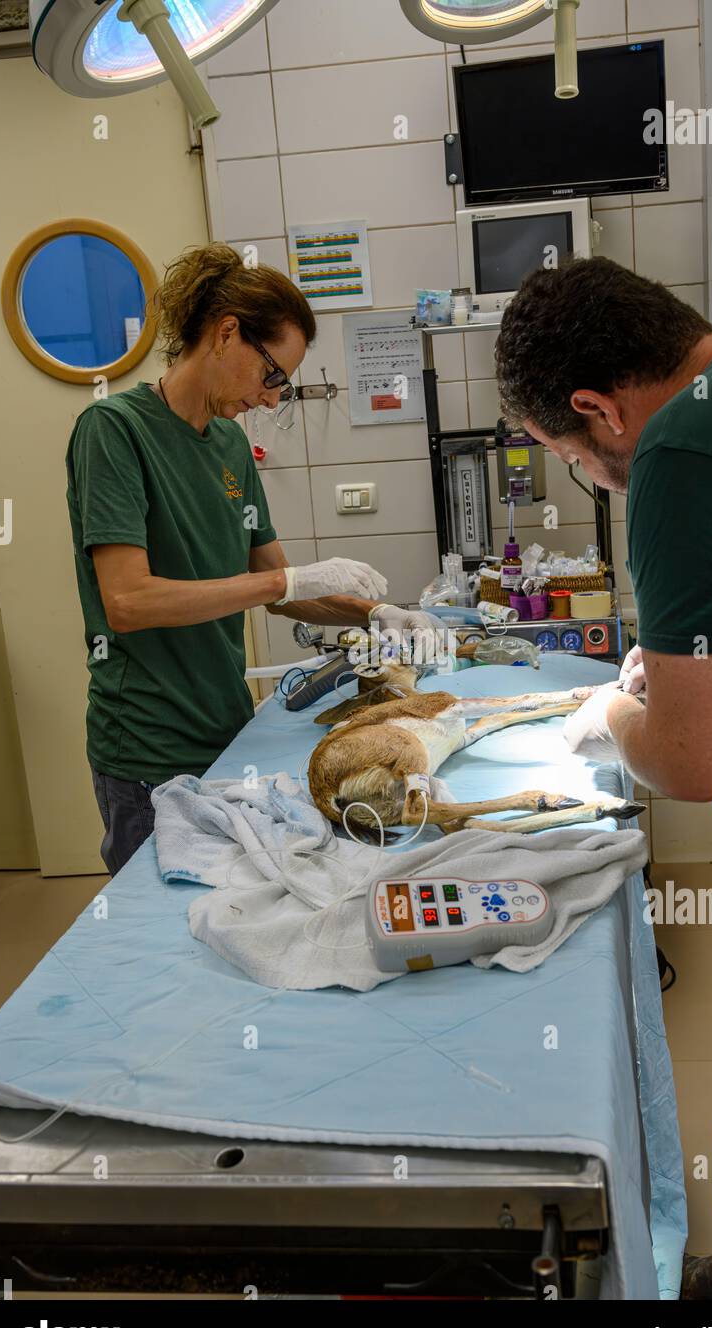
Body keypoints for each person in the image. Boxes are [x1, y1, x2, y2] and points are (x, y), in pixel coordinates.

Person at [495, 256, 712, 1301]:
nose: (594, 480)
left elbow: (691, 761)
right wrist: (690, 672)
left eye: (571, 457)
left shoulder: (685, 446)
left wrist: (608, 716)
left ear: (597, 410)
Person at [67, 243, 440, 876]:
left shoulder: (229, 444)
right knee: (167, 940)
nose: (272, 401)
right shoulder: (115, 432)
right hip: (147, 750)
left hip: (225, 728)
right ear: (226, 334)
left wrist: (376, 610)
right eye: (271, 376)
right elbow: (128, 603)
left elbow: (281, 590)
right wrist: (282, 578)